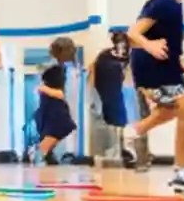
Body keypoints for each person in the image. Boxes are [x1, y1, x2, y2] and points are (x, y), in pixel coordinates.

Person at [126, 0, 184, 190]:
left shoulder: (173, 5)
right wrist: (149, 45)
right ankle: (182, 172)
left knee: (168, 111)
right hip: (153, 70)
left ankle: (135, 131)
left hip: (164, 68)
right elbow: (133, 33)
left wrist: (180, 65)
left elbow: (172, 43)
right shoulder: (163, 2)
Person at [34, 37, 79, 165]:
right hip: (55, 106)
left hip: (50, 105)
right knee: (59, 128)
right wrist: (44, 89)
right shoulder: (57, 69)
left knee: (56, 129)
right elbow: (59, 93)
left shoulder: (54, 67)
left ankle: (44, 153)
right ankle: (40, 152)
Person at [88, 32, 129, 161]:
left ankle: (120, 149)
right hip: (102, 90)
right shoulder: (104, 55)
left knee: (120, 120)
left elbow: (125, 73)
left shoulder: (126, 57)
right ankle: (104, 149)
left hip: (116, 90)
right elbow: (93, 68)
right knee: (103, 119)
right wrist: (91, 87)